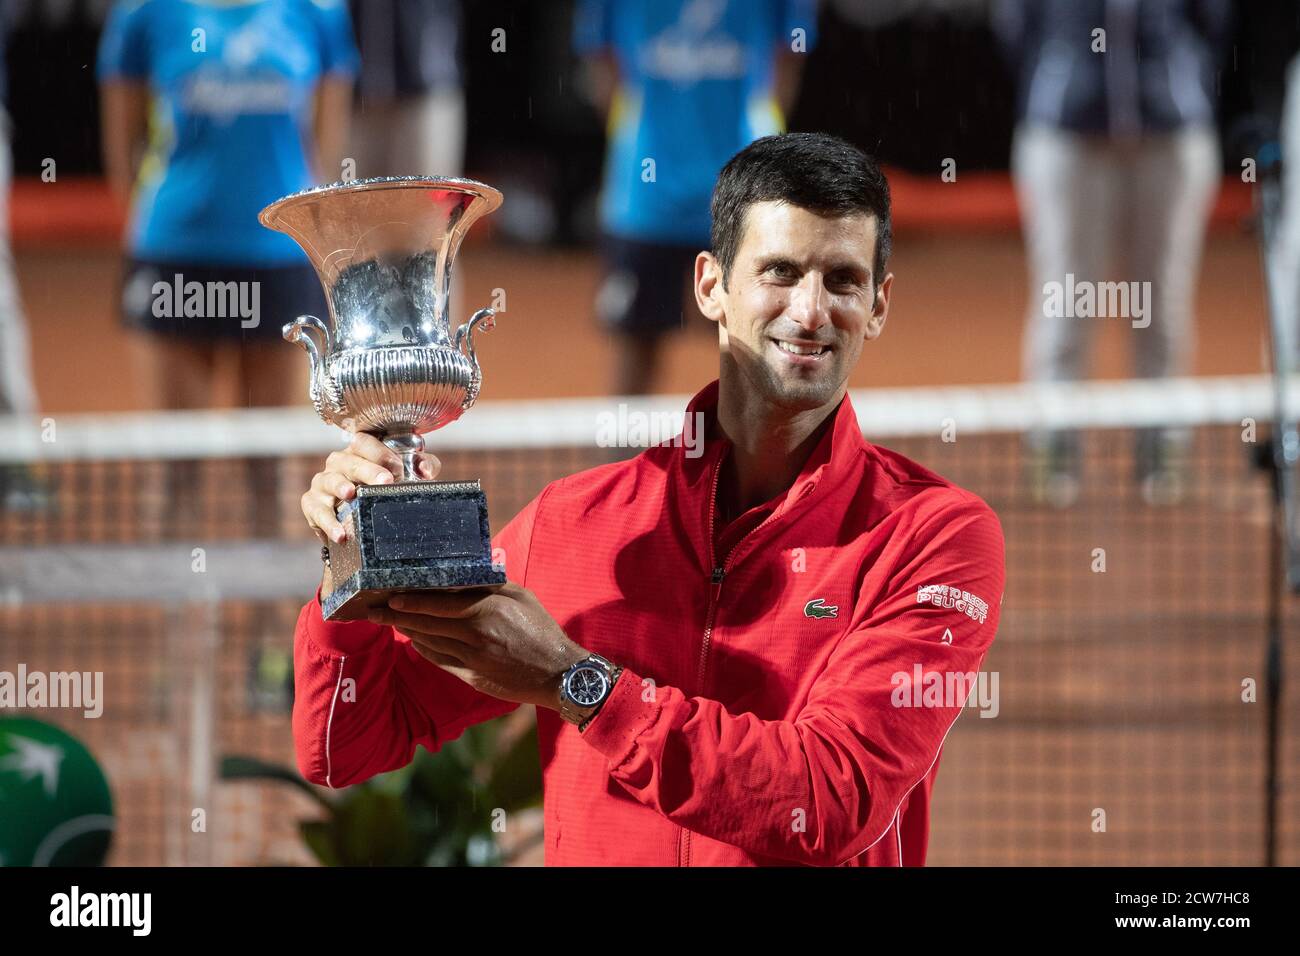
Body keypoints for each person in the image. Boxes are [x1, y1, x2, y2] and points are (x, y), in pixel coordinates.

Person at [290, 133, 1006, 866]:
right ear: (710, 288)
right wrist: (349, 568)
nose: (811, 310)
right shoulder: (574, 522)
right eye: (780, 273)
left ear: (879, 305)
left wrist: (575, 683)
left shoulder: (934, 538)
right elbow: (347, 742)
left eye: (844, 281)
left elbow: (825, 802)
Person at [96, 0, 358, 533]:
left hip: (280, 261)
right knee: (177, 469)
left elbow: (324, 154)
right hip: (176, 261)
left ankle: (271, 621)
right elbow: (122, 152)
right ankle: (175, 616)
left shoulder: (319, 11)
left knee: (270, 470)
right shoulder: (143, 13)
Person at [993, 0, 1229, 506]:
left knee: (1161, 303)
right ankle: (1056, 445)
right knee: (1066, 300)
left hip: (1172, 134)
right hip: (1064, 136)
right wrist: (1067, 81)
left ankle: (1160, 446)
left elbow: (1214, 20)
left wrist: (1172, 79)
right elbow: (1015, 24)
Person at [575, 0, 816, 394]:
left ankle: (756, 456)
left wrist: (759, 151)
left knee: (751, 347)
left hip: (744, 198)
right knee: (636, 350)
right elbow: (601, 62)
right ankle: (628, 457)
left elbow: (790, 56)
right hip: (645, 202)